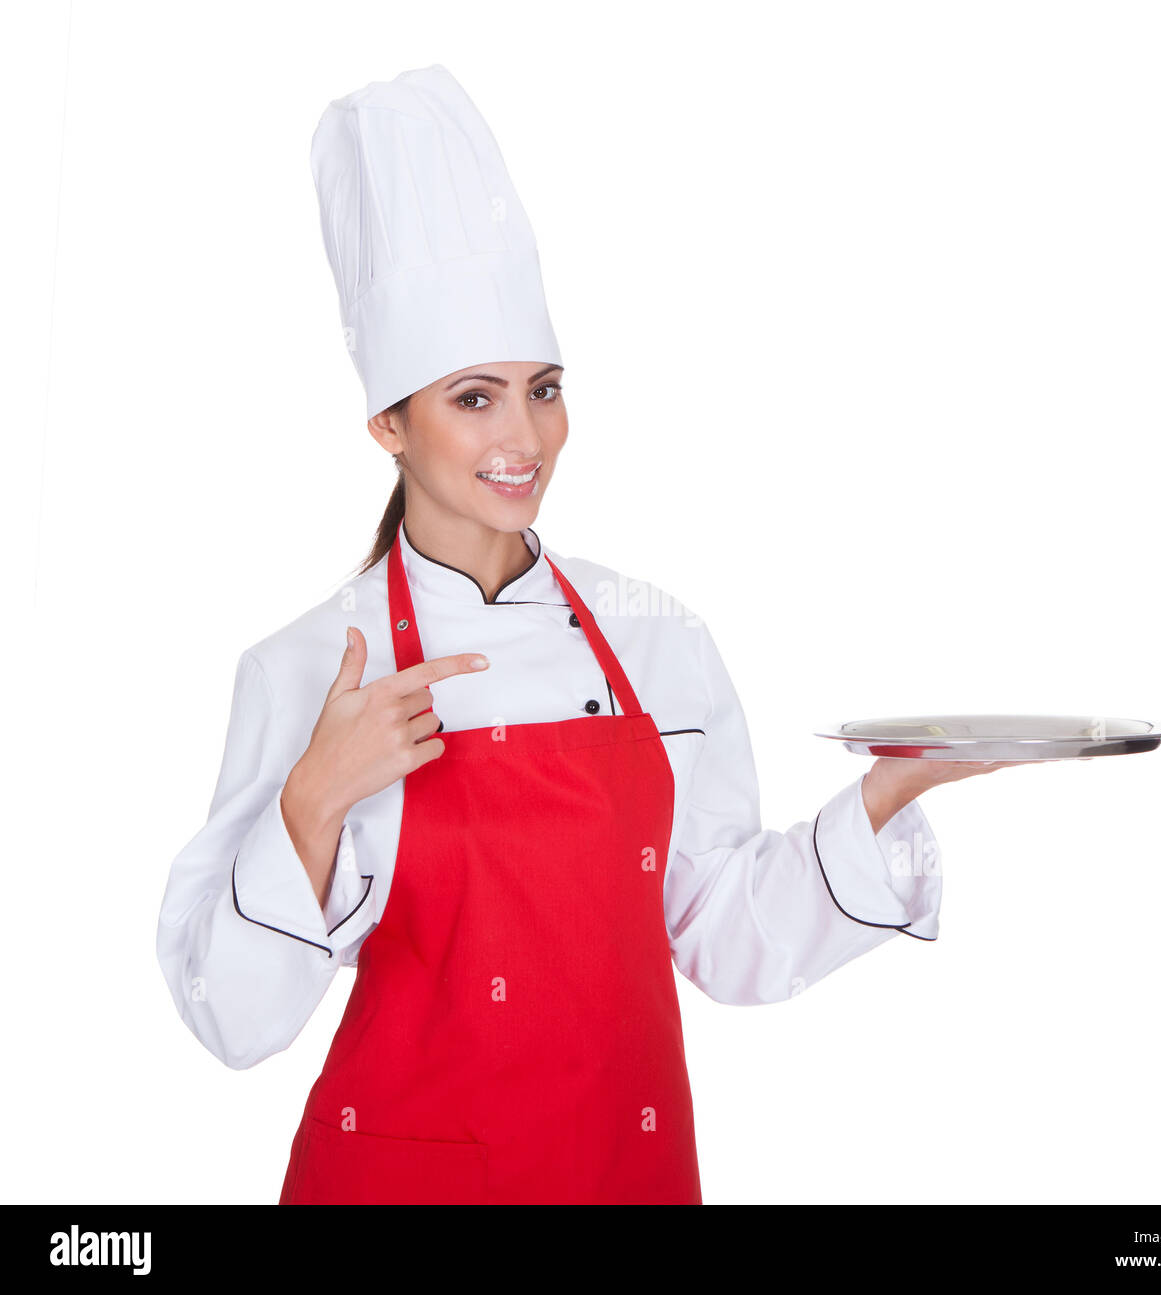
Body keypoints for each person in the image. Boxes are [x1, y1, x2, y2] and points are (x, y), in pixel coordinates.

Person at [155, 63, 1017, 1206]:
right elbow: (234, 1019)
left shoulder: (656, 639)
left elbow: (717, 931)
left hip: (629, 1173)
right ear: (386, 423)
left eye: (544, 387)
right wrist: (314, 797)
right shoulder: (310, 665)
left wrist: (888, 796)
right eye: (473, 396)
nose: (524, 436)